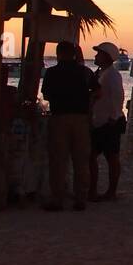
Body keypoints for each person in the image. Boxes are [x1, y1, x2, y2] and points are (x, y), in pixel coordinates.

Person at [41, 42, 94, 211]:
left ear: (58, 54)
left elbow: (47, 95)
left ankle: (57, 198)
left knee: (58, 160)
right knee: (81, 160)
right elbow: (97, 91)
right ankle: (81, 198)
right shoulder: (85, 72)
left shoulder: (52, 72)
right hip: (81, 118)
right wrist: (87, 102)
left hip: (59, 117)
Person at [88, 41, 125, 201]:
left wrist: (113, 117)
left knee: (111, 157)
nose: (96, 56)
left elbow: (118, 96)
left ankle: (111, 191)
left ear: (107, 57)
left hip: (109, 122)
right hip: (99, 121)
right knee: (92, 156)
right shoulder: (100, 73)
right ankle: (93, 190)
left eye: (99, 54)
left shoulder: (112, 75)